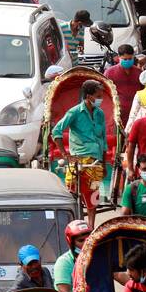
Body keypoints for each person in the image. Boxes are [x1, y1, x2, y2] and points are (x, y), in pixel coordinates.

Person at [50, 79, 108, 228]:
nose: (100, 99)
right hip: (79, 161)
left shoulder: (100, 113)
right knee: (72, 191)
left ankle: (91, 227)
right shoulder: (74, 112)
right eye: (98, 96)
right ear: (89, 96)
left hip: (96, 163)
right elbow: (56, 131)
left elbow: (103, 139)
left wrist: (104, 161)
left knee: (93, 195)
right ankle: (72, 224)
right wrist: (64, 154)